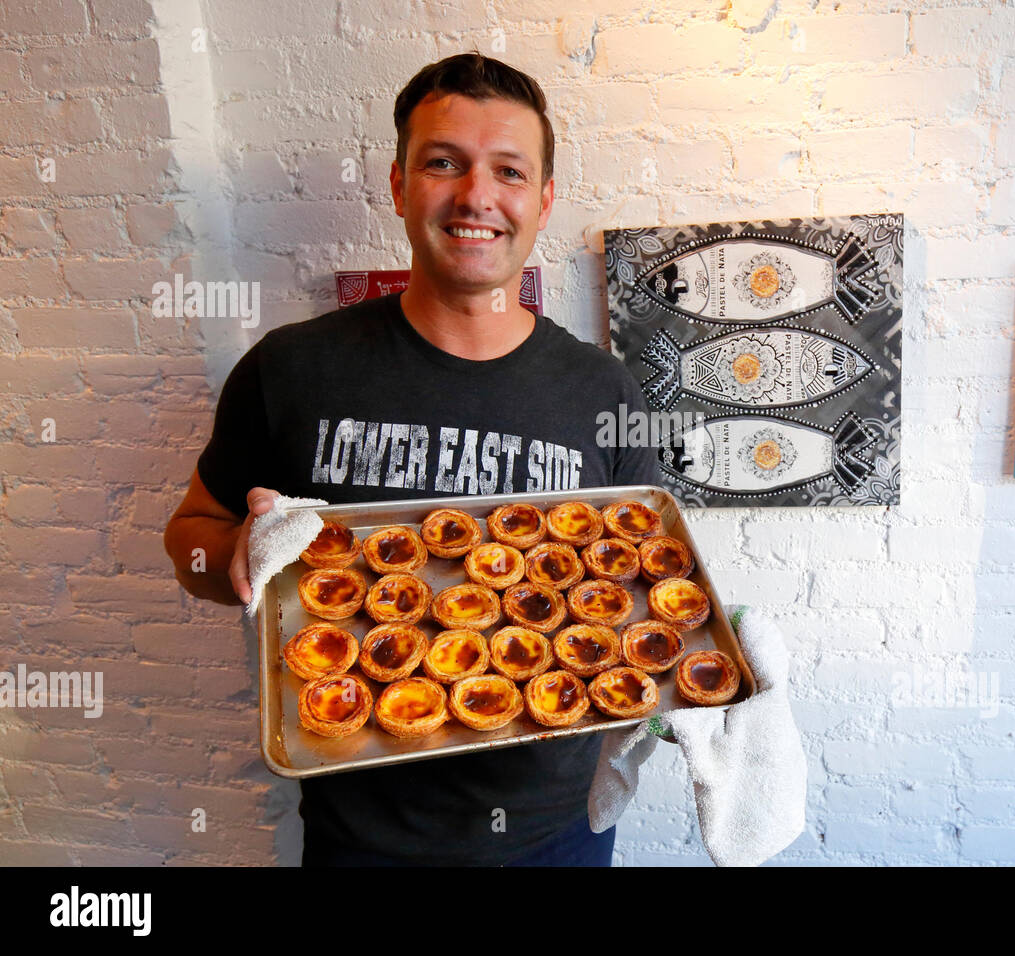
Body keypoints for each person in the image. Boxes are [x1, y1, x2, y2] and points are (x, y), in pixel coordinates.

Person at [164, 53, 661, 866]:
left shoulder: (601, 389)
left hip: (554, 836)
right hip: (358, 837)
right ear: (398, 186)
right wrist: (236, 554)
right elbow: (189, 539)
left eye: (508, 170)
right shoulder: (293, 368)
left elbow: (642, 580)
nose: (476, 196)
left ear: (541, 201)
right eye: (443, 163)